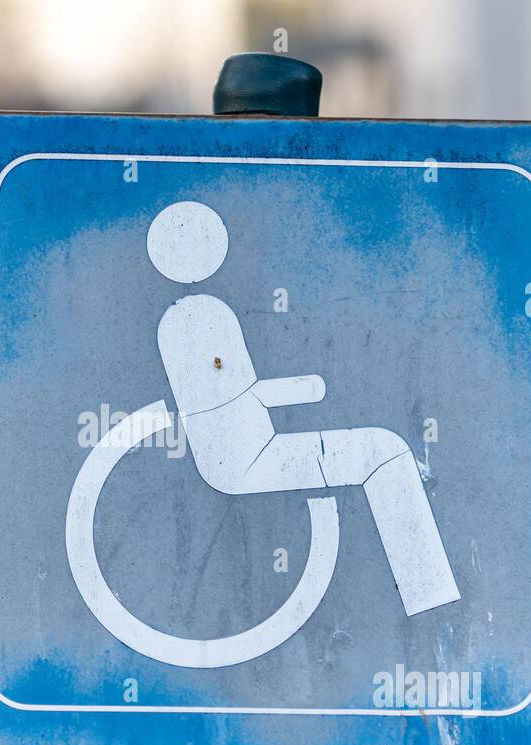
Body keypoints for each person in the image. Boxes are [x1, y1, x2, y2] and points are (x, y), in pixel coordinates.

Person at [148, 201, 461, 617]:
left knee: (382, 449)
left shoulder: (189, 319)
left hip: (253, 448)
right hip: (244, 461)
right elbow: (226, 401)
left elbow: (232, 396)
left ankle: (430, 595)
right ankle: (431, 598)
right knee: (384, 451)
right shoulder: (197, 321)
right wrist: (308, 388)